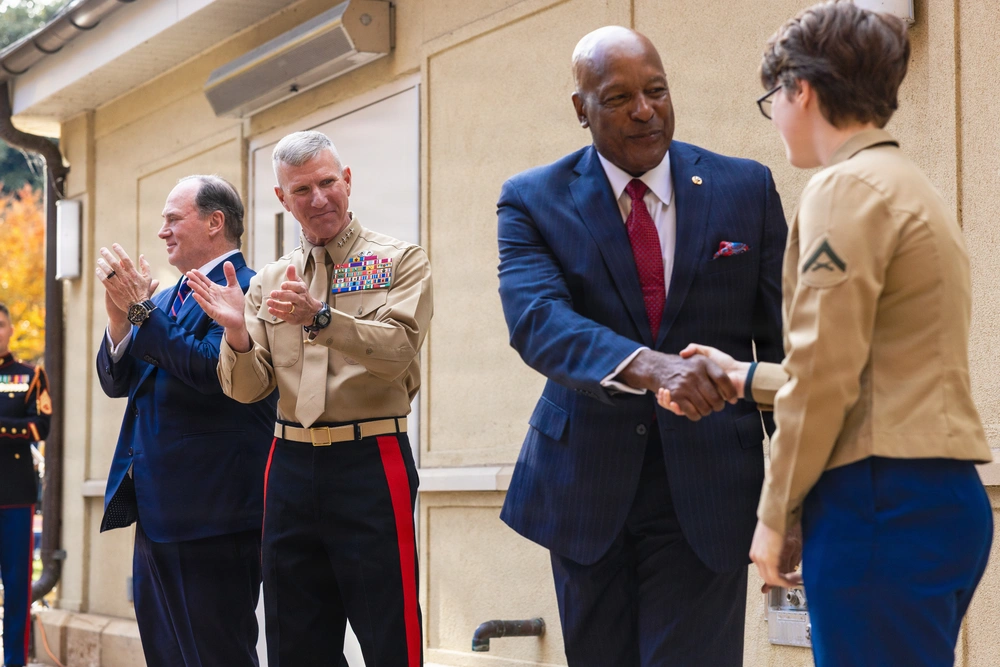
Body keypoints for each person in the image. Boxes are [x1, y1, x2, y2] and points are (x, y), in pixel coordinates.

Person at [657, 3, 993, 665]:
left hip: (877, 504)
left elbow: (824, 375)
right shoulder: (911, 188)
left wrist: (774, 512)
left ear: (799, 90)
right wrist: (739, 374)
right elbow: (864, 369)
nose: (774, 117)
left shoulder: (842, 190)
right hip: (941, 499)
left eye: (770, 99)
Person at [495, 26, 787, 666]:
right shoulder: (532, 200)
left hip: (711, 489)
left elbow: (782, 346)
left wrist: (796, 490)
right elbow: (537, 319)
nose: (645, 110)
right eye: (620, 97)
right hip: (583, 492)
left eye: (656, 91)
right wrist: (653, 369)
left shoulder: (747, 189)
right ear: (582, 109)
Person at [188, 130, 432, 667]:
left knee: (390, 629)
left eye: (327, 183)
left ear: (347, 182)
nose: (318, 198)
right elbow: (250, 387)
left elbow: (397, 352)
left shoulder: (400, 261)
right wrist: (235, 334)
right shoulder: (269, 281)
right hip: (291, 463)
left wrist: (319, 319)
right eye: (301, 190)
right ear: (282, 199)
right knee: (295, 636)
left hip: (371, 458)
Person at [95, 175, 277, 667]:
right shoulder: (165, 298)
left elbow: (209, 369)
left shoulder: (254, 288)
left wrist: (140, 310)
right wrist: (119, 318)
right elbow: (117, 382)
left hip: (214, 514)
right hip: (157, 511)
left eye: (173, 219)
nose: (162, 232)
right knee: (167, 656)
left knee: (216, 656)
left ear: (215, 222)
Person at [0, 303, 50, 667]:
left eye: (1, 325)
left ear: (11, 330)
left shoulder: (31, 375)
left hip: (15, 496)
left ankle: (14, 662)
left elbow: (40, 426)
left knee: (17, 588)